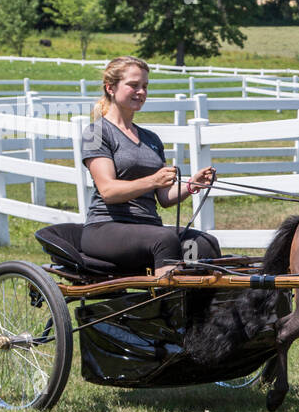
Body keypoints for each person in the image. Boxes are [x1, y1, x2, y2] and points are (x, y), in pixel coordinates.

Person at [80, 56, 219, 278]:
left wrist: (193, 184)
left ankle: (198, 309)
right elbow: (108, 191)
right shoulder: (96, 133)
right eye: (133, 85)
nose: (141, 92)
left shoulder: (151, 138)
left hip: (148, 227)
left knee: (204, 243)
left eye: (145, 86)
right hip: (106, 227)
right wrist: (153, 180)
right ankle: (167, 306)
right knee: (164, 239)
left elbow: (164, 198)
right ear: (111, 88)